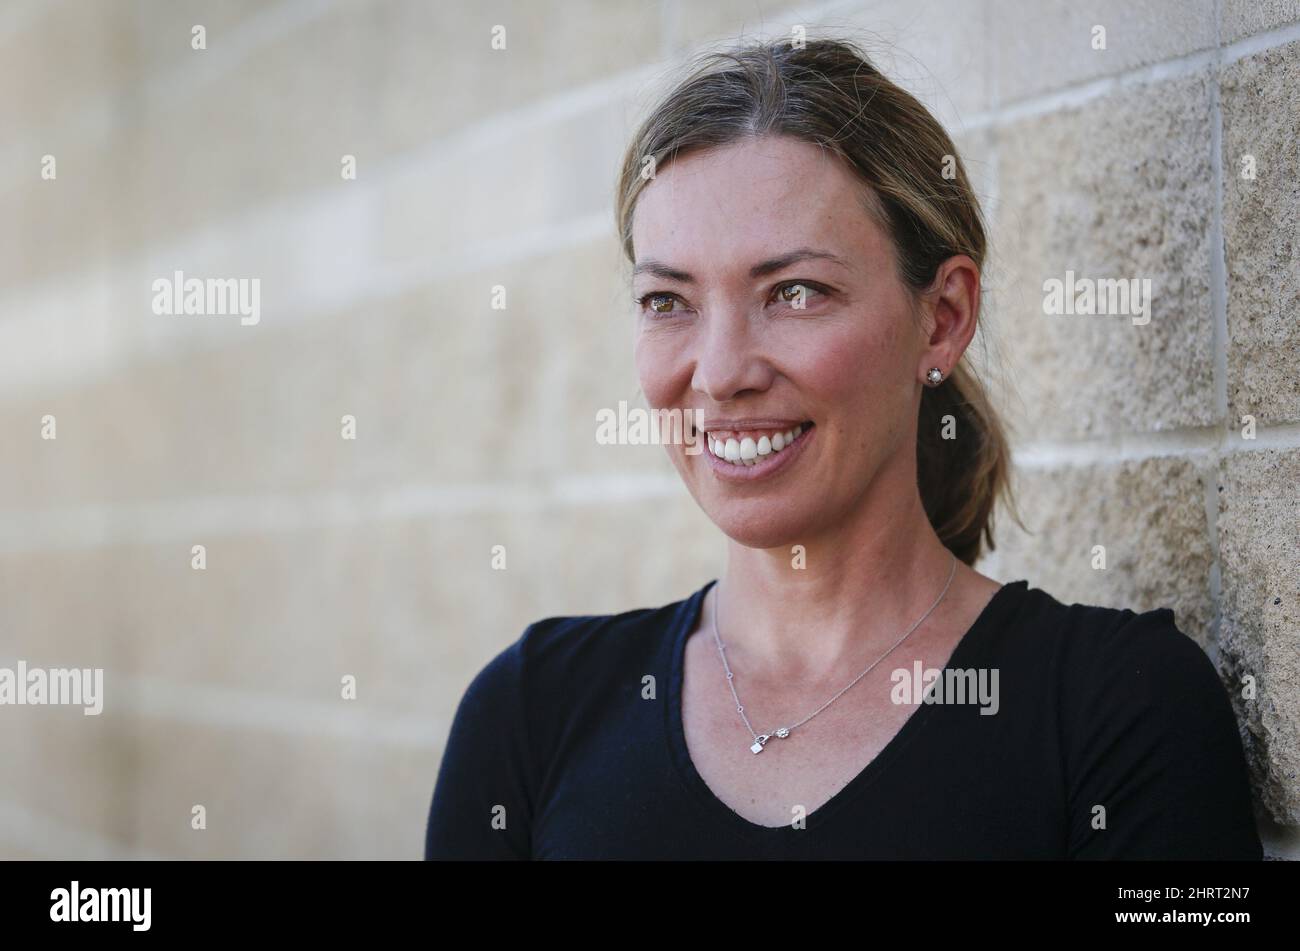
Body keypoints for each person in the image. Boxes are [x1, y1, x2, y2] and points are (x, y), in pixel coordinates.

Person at [424, 36, 1262, 860]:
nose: (720, 373)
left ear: (943, 318)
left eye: (794, 292)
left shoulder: (1118, 709)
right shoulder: (530, 713)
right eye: (667, 301)